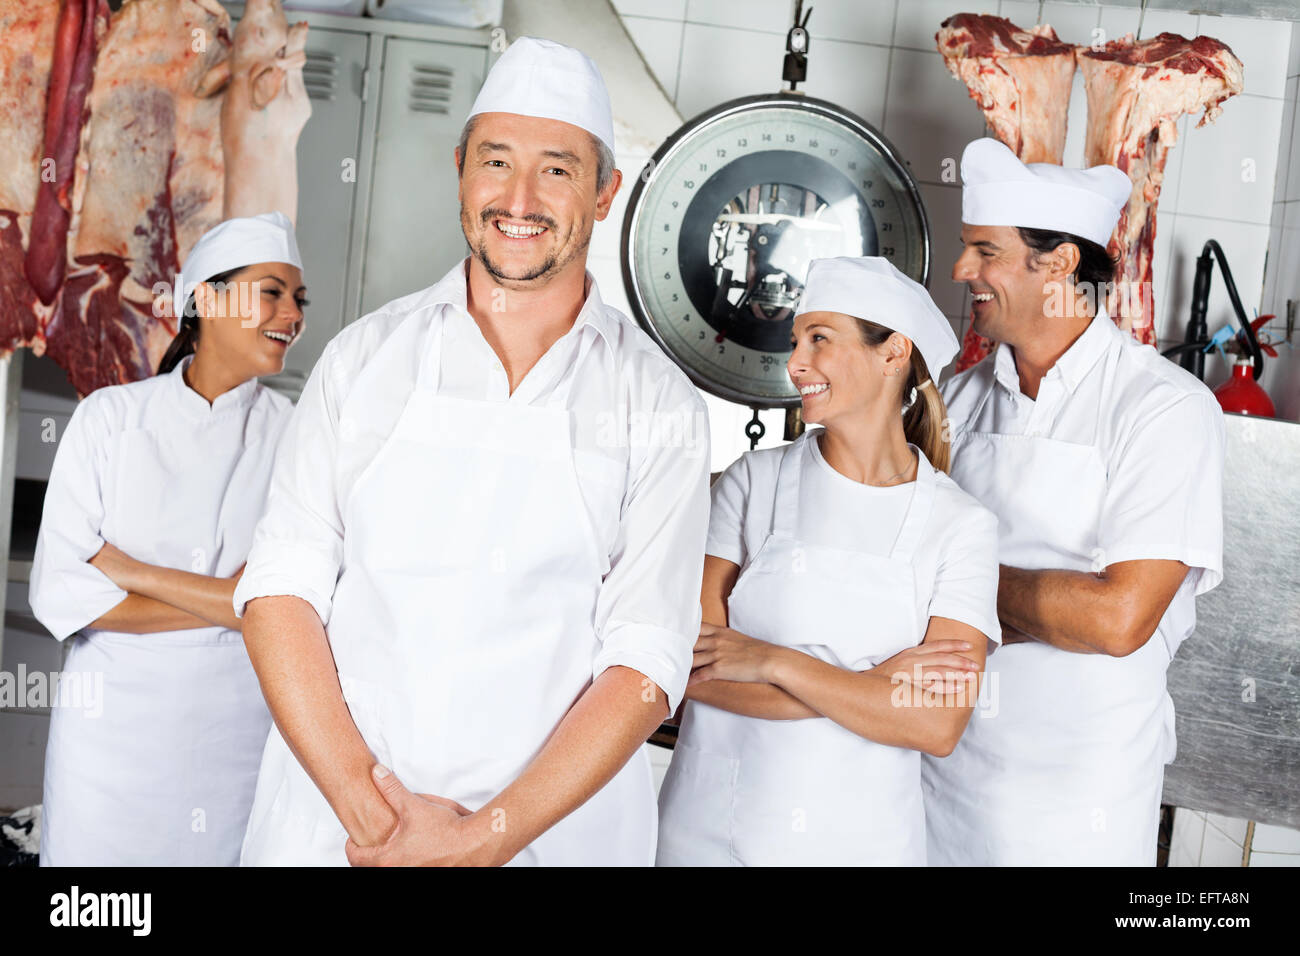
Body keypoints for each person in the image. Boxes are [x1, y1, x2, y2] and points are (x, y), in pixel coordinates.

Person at [231, 36, 710, 867]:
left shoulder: (658, 402)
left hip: (549, 841)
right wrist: (378, 820)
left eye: (557, 169)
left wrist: (479, 840)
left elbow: (646, 657)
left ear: (604, 193)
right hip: (341, 834)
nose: (518, 197)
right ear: (460, 168)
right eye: (496, 160)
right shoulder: (361, 361)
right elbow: (279, 592)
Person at [922, 138, 1226, 866]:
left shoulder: (1162, 408)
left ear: (1058, 265)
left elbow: (1118, 618)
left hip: (1077, 807)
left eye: (985, 252)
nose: (964, 271)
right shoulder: (956, 400)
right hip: (940, 782)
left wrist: (958, 587)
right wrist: (1039, 604)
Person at [656, 256, 1001, 866]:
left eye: (819, 339)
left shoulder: (960, 527)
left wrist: (771, 661)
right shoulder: (750, 484)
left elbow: (937, 727)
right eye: (795, 341)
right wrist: (878, 687)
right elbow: (686, 673)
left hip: (863, 845)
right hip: (709, 834)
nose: (795, 362)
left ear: (893, 352)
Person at [30, 211, 307, 865]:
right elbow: (62, 595)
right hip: (109, 744)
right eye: (271, 291)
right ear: (206, 299)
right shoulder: (110, 421)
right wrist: (228, 602)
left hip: (233, 735)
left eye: (298, 298)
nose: (292, 314)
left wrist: (129, 570)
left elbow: (282, 603)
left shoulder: (297, 435)